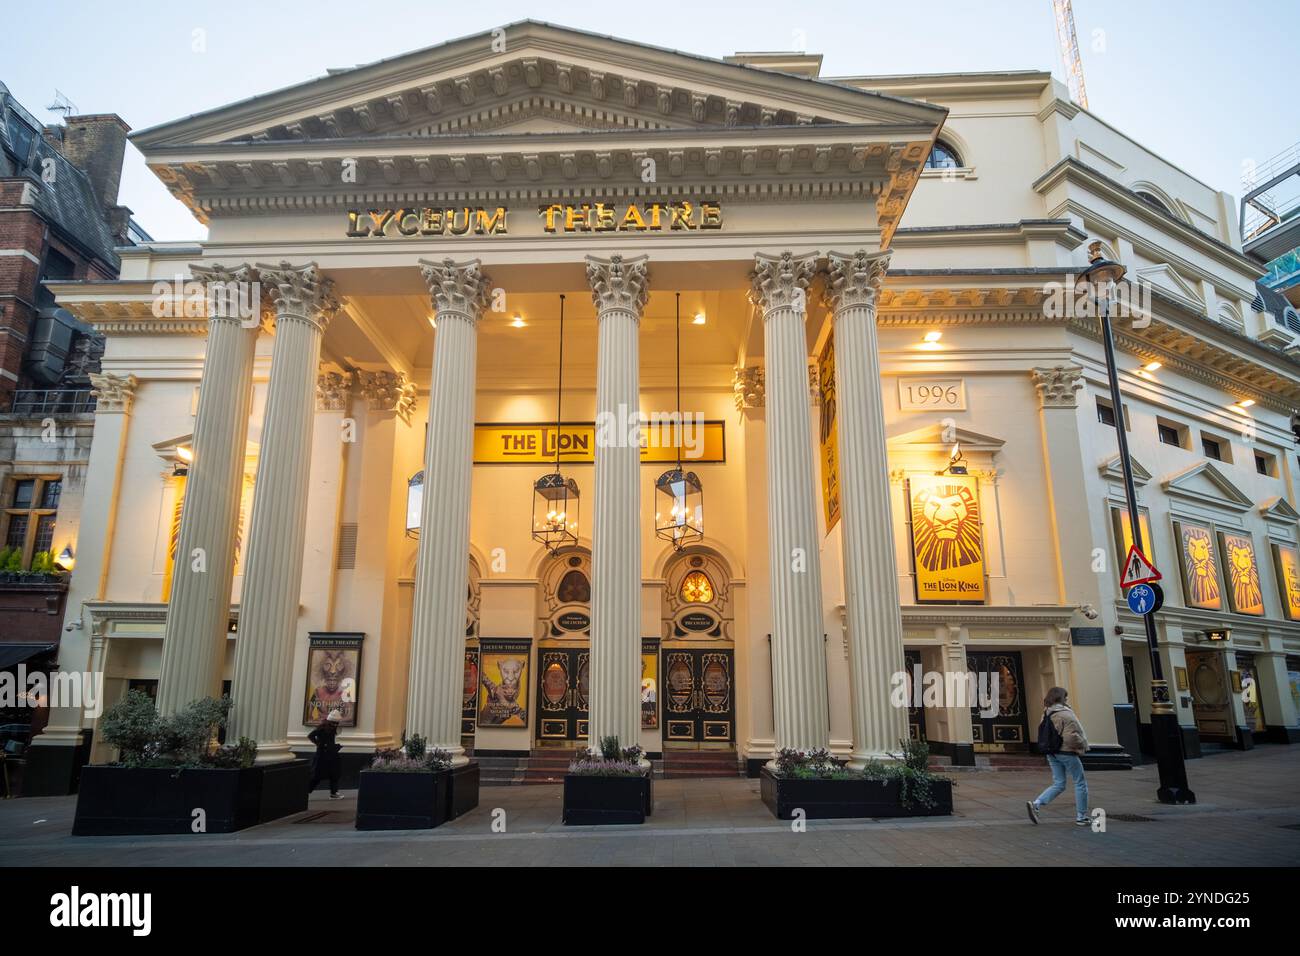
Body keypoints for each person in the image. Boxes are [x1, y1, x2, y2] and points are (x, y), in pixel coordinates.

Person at [1026, 687, 1090, 827]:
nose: (1067, 699)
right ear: (1061, 698)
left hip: (1052, 752)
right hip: (1067, 752)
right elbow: (1071, 737)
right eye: (1065, 697)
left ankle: (1037, 804)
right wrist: (1083, 744)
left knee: (1059, 783)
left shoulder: (1046, 712)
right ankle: (1081, 816)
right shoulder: (1066, 714)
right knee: (1080, 782)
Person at [307, 710, 344, 800]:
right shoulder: (322, 728)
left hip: (331, 754)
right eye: (334, 723)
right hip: (322, 755)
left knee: (334, 774)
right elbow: (311, 735)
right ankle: (306, 791)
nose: (336, 725)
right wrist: (319, 744)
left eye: (336, 723)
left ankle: (334, 792)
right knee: (317, 776)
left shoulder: (332, 728)